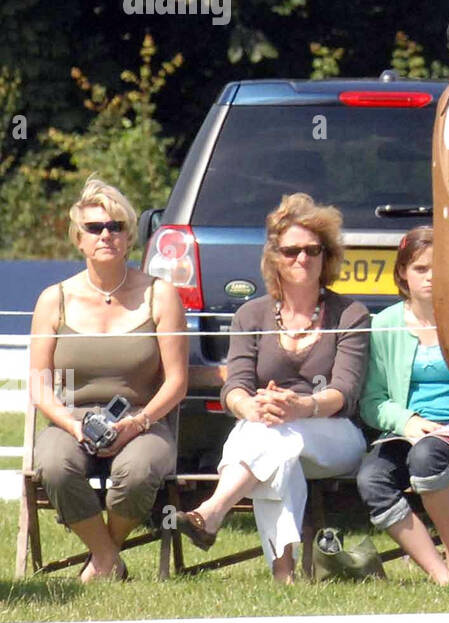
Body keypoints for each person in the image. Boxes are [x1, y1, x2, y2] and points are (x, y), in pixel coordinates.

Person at [174, 193, 369, 582]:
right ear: (274, 257)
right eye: (292, 250)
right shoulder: (251, 313)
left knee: (272, 439)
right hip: (269, 427)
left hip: (334, 435)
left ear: (326, 256)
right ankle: (285, 574)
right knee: (279, 453)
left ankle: (213, 511)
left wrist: (302, 406)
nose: (302, 259)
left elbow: (346, 391)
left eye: (313, 250)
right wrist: (252, 409)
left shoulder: (351, 313)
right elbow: (236, 386)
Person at [30, 177, 187, 580]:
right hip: (71, 420)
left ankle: (101, 561)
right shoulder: (54, 299)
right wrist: (70, 424)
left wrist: (136, 423)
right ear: (78, 239)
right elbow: (40, 385)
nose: (106, 235)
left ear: (129, 236)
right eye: (94, 228)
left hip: (143, 419)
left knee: (137, 471)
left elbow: (176, 382)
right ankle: (107, 559)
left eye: (115, 227)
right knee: (53, 463)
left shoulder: (160, 295)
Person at [355, 227, 449, 582]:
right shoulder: (384, 324)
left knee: (426, 456)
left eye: (439, 267)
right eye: (421, 269)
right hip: (406, 431)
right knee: (371, 479)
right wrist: (407, 422)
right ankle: (440, 573)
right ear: (402, 274)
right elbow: (372, 401)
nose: (431, 277)